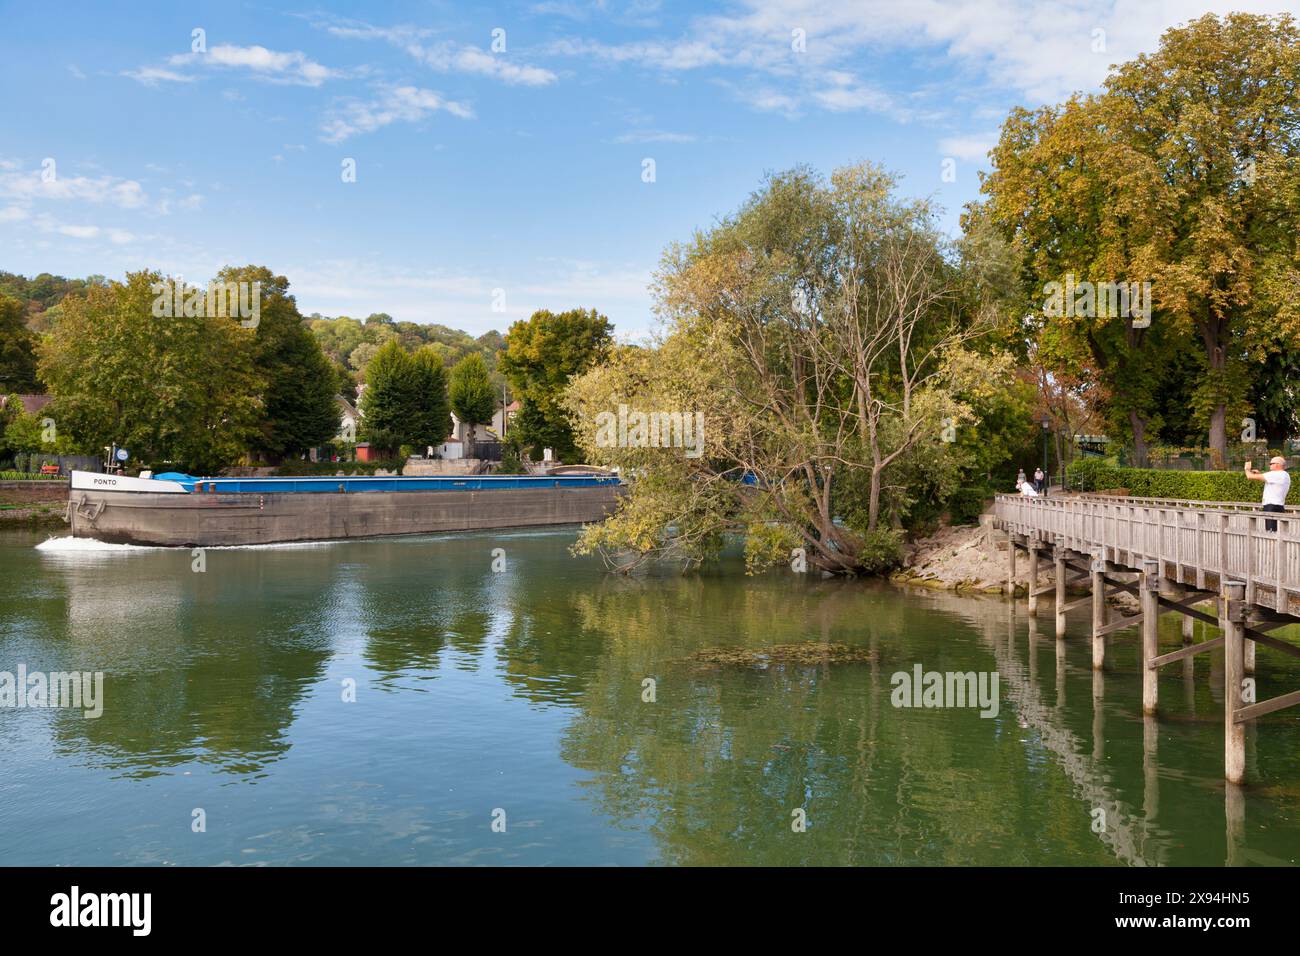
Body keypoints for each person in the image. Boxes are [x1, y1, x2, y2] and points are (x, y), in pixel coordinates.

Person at [1245, 456, 1291, 532]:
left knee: (1270, 533)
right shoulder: (1285, 475)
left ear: (1277, 464)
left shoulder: (1275, 474)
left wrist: (1247, 469)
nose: (1269, 465)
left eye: (1271, 463)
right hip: (1280, 506)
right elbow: (1271, 481)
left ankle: (1272, 544)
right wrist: (1259, 474)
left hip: (1271, 507)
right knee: (1280, 533)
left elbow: (1249, 476)